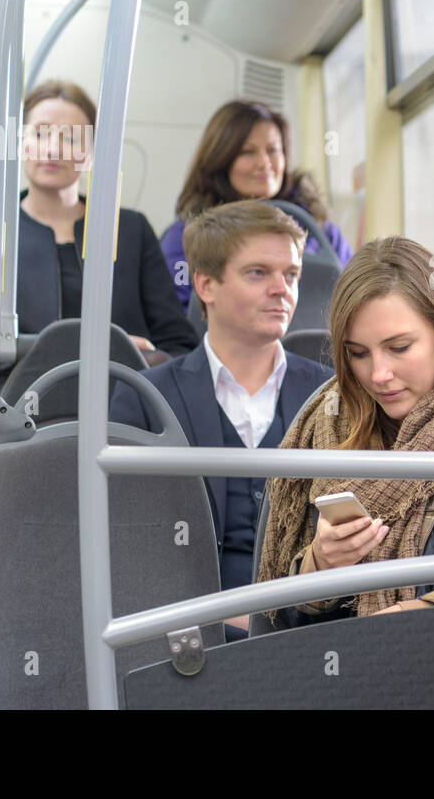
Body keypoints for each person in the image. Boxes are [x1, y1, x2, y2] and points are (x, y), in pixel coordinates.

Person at [0, 81, 199, 502]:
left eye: (71, 137)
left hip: (120, 423)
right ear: (20, 143)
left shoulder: (130, 230)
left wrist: (135, 356)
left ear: (92, 151)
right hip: (10, 423)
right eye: (40, 133)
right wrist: (106, 347)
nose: (53, 148)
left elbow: (178, 345)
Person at [255, 236, 434, 630]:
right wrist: (318, 567)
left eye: (399, 347)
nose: (378, 375)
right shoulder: (322, 425)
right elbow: (280, 618)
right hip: (344, 668)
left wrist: (419, 615)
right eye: (358, 353)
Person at [109, 200, 332, 638]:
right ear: (206, 285)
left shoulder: (333, 395)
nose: (281, 289)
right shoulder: (145, 399)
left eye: (291, 275)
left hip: (309, 636)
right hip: (183, 639)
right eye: (258, 273)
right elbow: (128, 547)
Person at [160, 100, 353, 310]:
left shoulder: (319, 229)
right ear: (221, 159)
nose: (264, 163)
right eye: (247, 152)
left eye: (273, 150)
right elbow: (177, 318)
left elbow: (356, 294)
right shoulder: (185, 237)